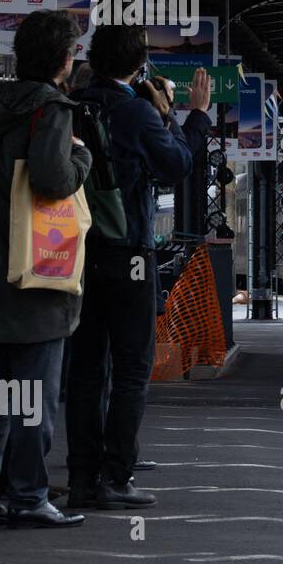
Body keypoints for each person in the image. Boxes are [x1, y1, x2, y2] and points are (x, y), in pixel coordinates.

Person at [0, 11, 92, 528]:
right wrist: (84, 159)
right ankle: (30, 494)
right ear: (65, 59)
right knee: (34, 395)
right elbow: (54, 180)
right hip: (33, 275)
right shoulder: (51, 109)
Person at [67, 26, 210, 509]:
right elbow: (177, 165)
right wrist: (190, 117)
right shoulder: (135, 112)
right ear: (138, 65)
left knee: (86, 368)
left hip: (76, 253)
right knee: (131, 367)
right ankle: (116, 475)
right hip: (128, 252)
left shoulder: (71, 105)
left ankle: (83, 478)